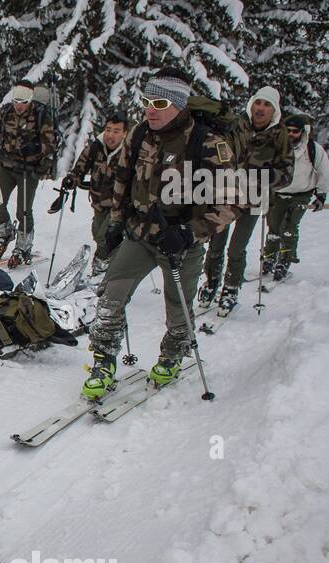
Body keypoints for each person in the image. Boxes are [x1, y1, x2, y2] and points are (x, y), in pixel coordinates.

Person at [81, 67, 238, 400]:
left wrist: (188, 233)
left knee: (177, 305)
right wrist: (115, 225)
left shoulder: (207, 144)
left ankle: (172, 355)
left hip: (181, 243)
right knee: (110, 295)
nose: (150, 108)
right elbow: (122, 181)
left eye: (160, 102)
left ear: (179, 105)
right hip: (139, 235)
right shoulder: (138, 135)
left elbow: (232, 201)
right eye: (147, 100)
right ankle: (104, 359)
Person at [198, 85, 291, 313]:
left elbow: (287, 173)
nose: (261, 108)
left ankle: (230, 288)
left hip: (253, 198)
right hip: (226, 195)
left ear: (274, 110)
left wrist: (271, 176)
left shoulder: (280, 135)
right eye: (258, 103)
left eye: (267, 105)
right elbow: (218, 149)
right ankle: (211, 283)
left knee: (237, 248)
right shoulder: (236, 126)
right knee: (216, 244)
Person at [0, 78, 57, 268]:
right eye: (16, 102)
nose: (19, 107)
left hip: (28, 170)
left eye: (23, 103)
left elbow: (50, 143)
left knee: (24, 211)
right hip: (6, 165)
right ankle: (5, 233)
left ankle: (23, 246)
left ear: (30, 100)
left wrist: (40, 159)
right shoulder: (5, 113)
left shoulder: (40, 115)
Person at [264, 112, 329, 281]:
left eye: (295, 131)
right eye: (288, 130)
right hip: (277, 193)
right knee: (273, 226)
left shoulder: (313, 149)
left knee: (289, 227)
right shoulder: (275, 147)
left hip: (301, 194)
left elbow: (324, 172)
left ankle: (285, 260)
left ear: (303, 132)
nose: (291, 134)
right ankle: (270, 257)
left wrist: (321, 195)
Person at [61, 112, 128, 277]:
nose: (111, 135)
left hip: (121, 205)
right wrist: (72, 179)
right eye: (108, 130)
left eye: (116, 131)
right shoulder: (96, 147)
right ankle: (105, 267)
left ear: (125, 133)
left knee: (106, 237)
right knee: (98, 234)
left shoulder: (130, 152)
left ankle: (104, 269)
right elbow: (80, 167)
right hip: (99, 202)